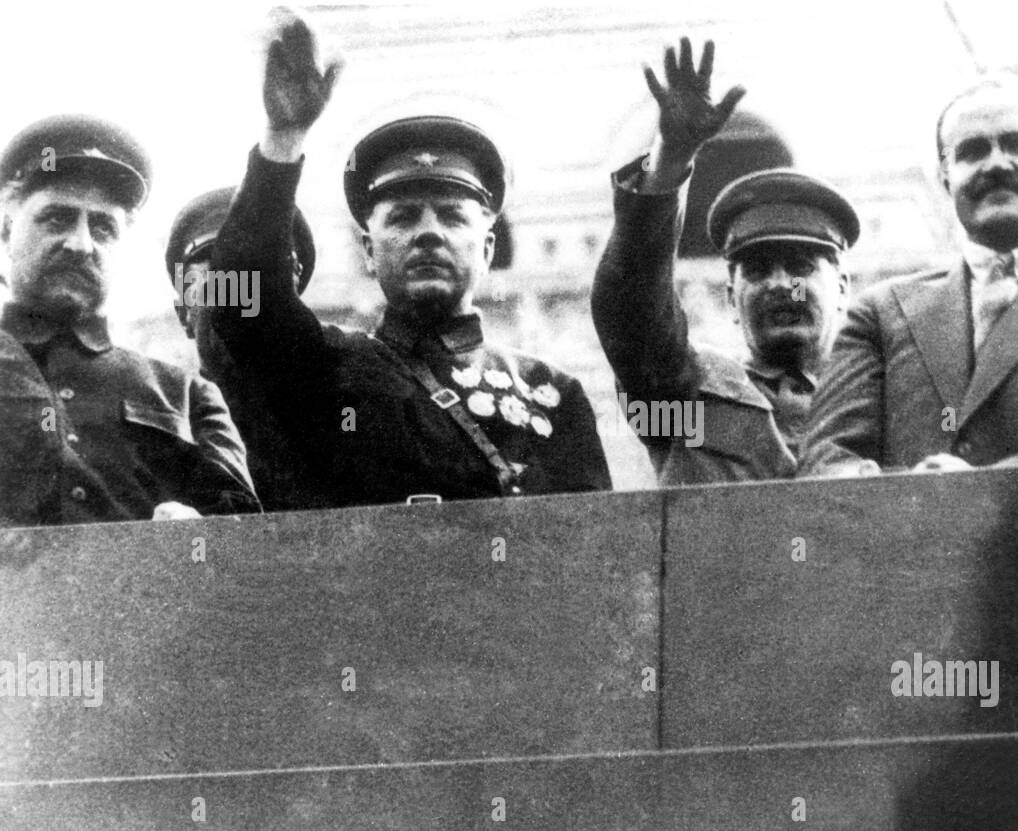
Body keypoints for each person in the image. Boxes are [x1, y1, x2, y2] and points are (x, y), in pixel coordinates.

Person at [208, 9, 610, 505]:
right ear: (368, 252)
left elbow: (594, 551)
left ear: (487, 248)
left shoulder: (553, 395)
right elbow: (235, 302)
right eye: (402, 217)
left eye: (451, 216)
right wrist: (282, 142)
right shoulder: (321, 369)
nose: (428, 233)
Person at [799, 74, 1018, 478]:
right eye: (972, 152)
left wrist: (978, 490)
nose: (996, 164)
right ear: (945, 180)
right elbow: (827, 459)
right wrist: (919, 493)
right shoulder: (880, 314)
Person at [592, 37, 858, 484]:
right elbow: (629, 315)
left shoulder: (875, 396)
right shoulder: (682, 403)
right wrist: (672, 158)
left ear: (843, 288)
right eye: (756, 271)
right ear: (731, 299)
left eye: (800, 266)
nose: (779, 283)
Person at [0, 115, 257, 526]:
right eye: (57, 218)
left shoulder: (188, 396)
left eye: (103, 227)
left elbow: (253, 549)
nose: (81, 244)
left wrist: (201, 536)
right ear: (7, 229)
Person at [167, 186, 333, 511]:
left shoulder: (351, 409)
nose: (239, 285)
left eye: (262, 270)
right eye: (217, 269)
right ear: (183, 313)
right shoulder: (162, 429)